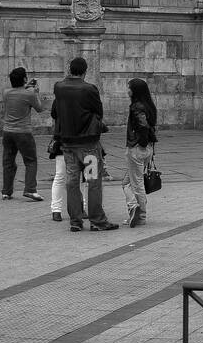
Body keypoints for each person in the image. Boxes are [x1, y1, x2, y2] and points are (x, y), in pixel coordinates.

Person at [51, 57, 118, 233]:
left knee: (72, 182)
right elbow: (98, 112)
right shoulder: (89, 89)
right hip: (87, 145)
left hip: (68, 145)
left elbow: (54, 112)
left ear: (69, 69)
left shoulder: (59, 87)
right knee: (92, 181)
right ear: (85, 71)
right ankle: (97, 220)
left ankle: (75, 220)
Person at [1, 67, 44, 202]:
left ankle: (6, 192)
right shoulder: (29, 94)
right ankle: (30, 189)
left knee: (8, 161)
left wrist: (26, 86)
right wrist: (36, 92)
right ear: (24, 79)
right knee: (31, 161)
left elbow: (18, 91)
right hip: (23, 132)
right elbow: (39, 108)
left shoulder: (6, 93)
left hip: (7, 131)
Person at [122, 78, 157, 228]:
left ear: (135, 90)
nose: (127, 90)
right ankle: (134, 210)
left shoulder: (137, 106)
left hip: (137, 148)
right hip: (147, 149)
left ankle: (138, 212)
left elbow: (143, 125)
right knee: (126, 183)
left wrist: (140, 142)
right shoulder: (149, 105)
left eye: (129, 88)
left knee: (136, 184)